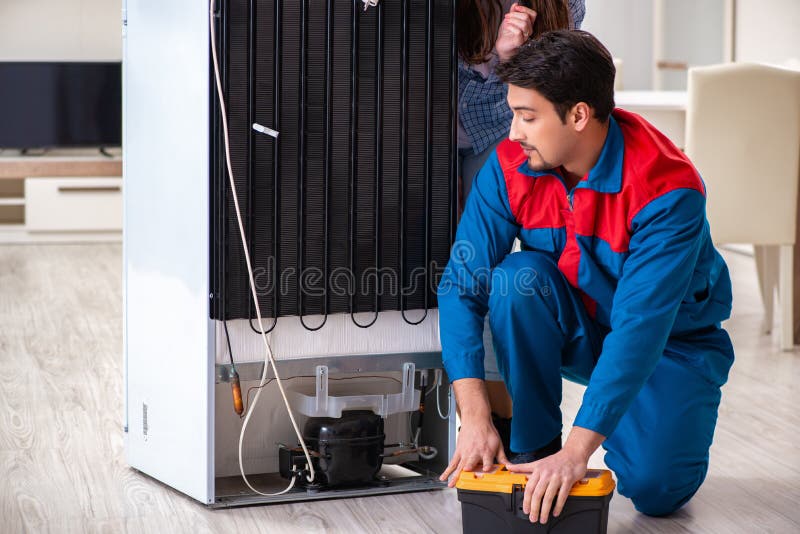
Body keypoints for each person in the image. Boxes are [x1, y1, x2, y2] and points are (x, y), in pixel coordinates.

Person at [438, 30, 735, 524]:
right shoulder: (511, 165)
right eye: (514, 113)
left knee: (657, 490)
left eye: (527, 117)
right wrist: (474, 415)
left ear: (578, 115)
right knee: (516, 280)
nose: (513, 133)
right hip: (582, 327)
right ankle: (535, 450)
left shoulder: (668, 190)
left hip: (670, 345)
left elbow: (640, 331)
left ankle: (613, 427)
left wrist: (580, 453)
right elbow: (461, 285)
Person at [457, 0, 586, 454]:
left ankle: (516, 431)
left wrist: (513, 62)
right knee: (458, 279)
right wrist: (497, 60)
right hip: (428, 133)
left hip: (504, 136)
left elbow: (555, 84)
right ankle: (472, 420)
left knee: (511, 284)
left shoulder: (564, 4)